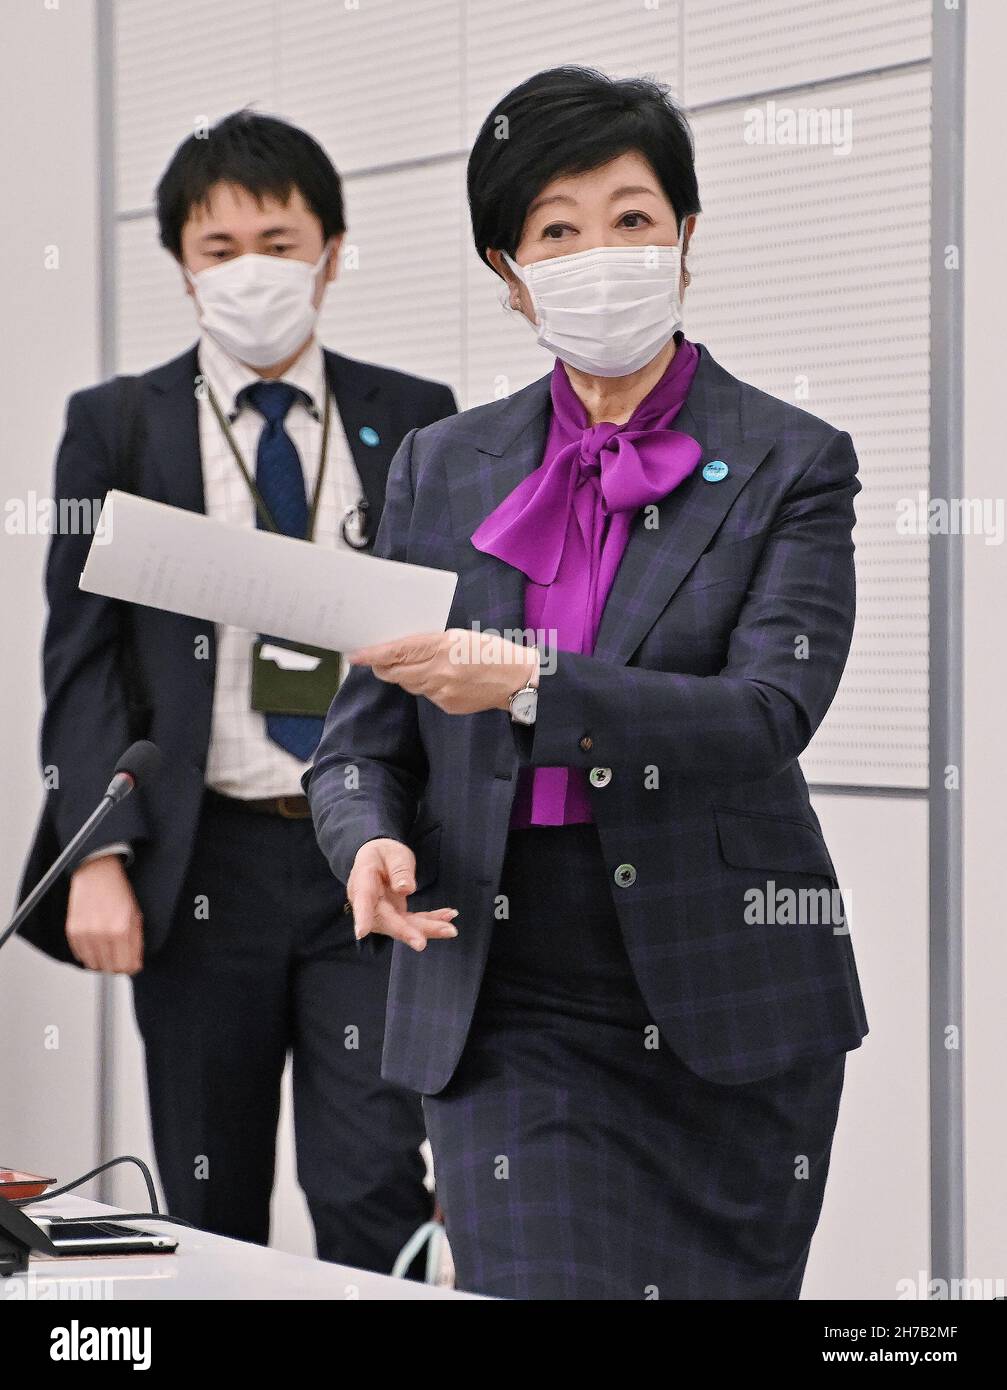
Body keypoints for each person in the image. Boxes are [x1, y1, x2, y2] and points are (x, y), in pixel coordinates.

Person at [304, 67, 869, 1300]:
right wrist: (363, 839)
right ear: (509, 276)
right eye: (557, 229)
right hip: (507, 984)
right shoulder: (441, 467)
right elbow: (359, 743)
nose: (601, 252)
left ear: (685, 240)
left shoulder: (790, 458)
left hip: (726, 989)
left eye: (631, 218)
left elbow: (768, 711)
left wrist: (522, 686)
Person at [18, 111, 457, 1272]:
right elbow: (81, 654)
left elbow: (452, 634)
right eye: (220, 247)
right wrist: (97, 854)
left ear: (331, 249)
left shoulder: (416, 414)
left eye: (279, 237)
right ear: (180, 264)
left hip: (365, 850)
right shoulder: (116, 422)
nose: (251, 267)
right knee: (209, 1193)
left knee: (371, 1182)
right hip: (195, 859)